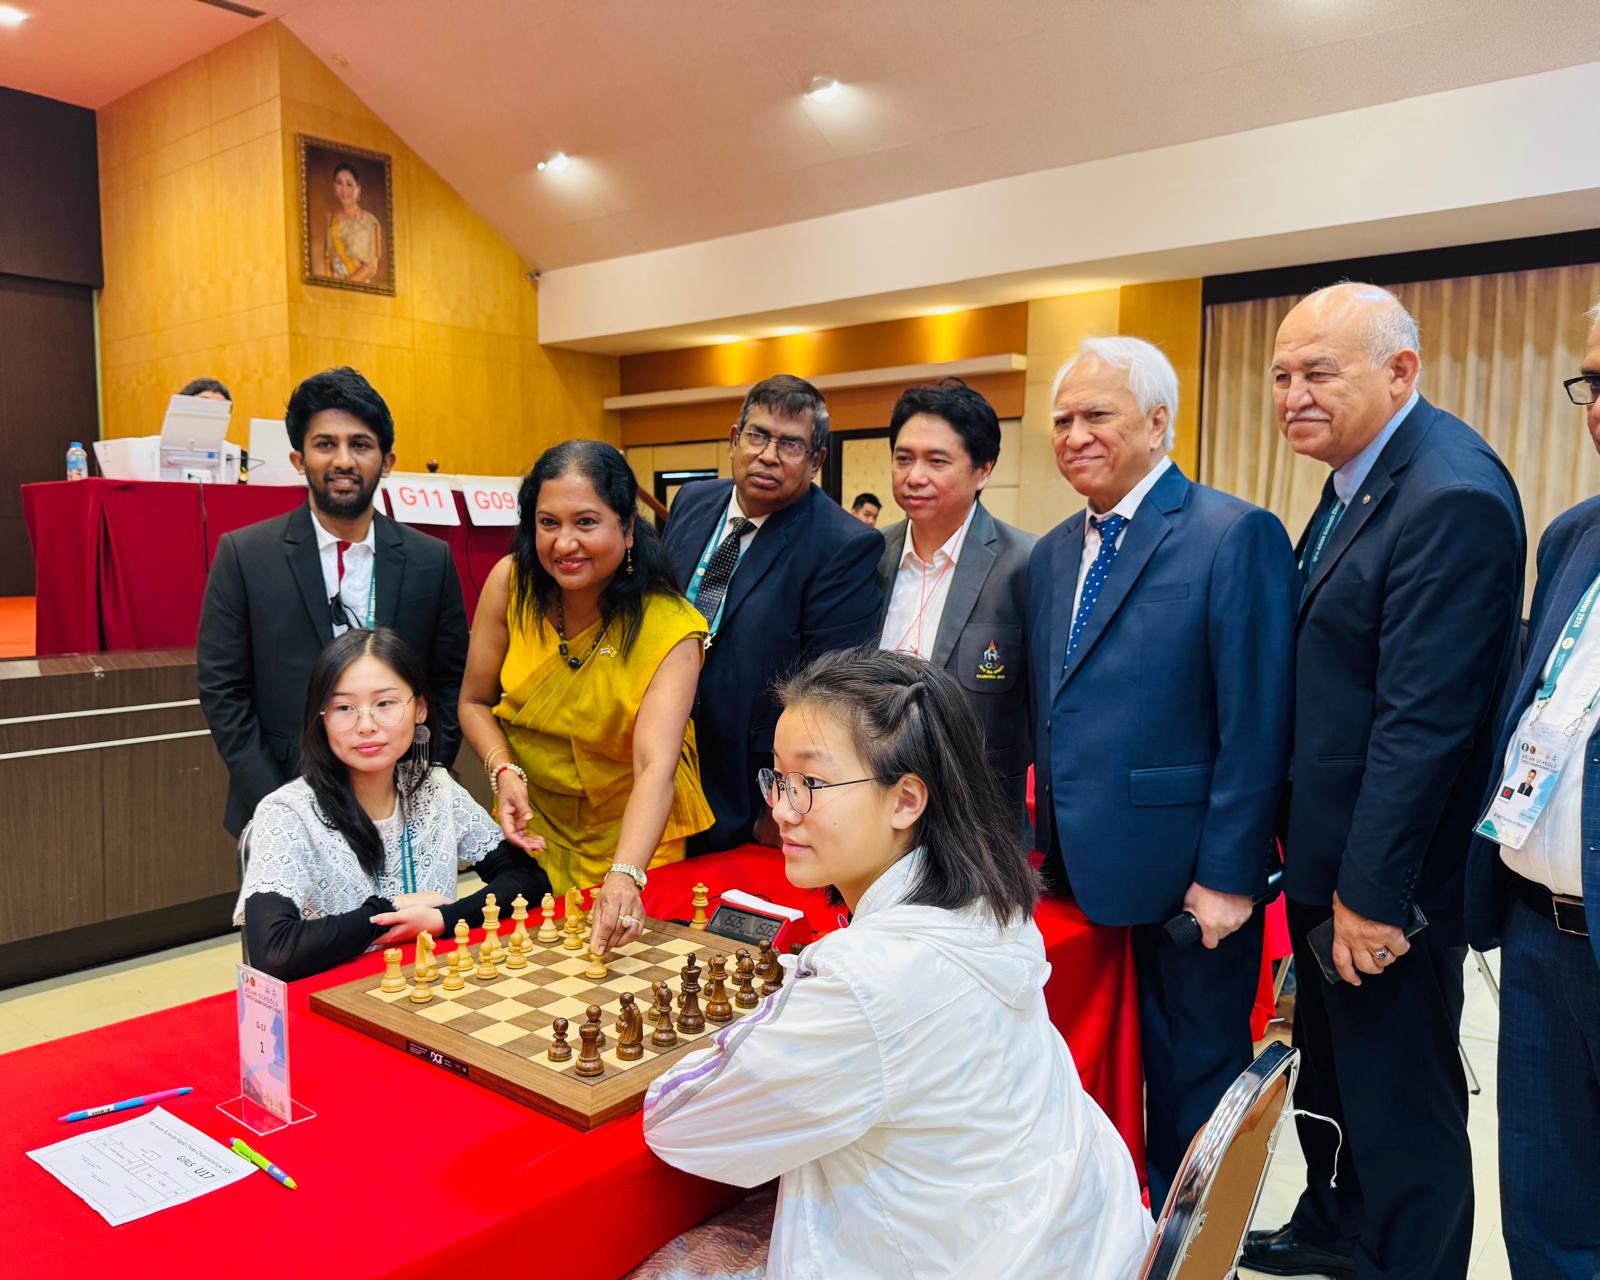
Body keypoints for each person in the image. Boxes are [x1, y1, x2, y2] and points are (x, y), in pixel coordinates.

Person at [642, 648, 1152, 1280]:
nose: (782, 809)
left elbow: (682, 1123)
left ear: (907, 800)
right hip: (1075, 1241)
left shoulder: (871, 980)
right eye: (776, 778)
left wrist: (785, 1005)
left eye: (812, 784)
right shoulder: (992, 908)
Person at [1243, 284, 1525, 1280]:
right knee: (1339, 1074)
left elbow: (1424, 723)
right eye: (1281, 374)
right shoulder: (1358, 477)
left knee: (1400, 1096)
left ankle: (1410, 1257)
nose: (1292, 394)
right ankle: (1336, 1219)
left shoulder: (1446, 492)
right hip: (1330, 856)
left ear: (1399, 371)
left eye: (1319, 371)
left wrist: (1369, 894)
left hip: (1387, 881)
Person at [1027, 336, 1298, 1210]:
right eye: (1062, 419)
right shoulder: (1054, 551)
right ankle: (1119, 1227)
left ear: (1157, 420)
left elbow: (1256, 721)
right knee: (1088, 1074)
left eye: (1096, 415)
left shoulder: (1233, 533)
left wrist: (1228, 875)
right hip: (1074, 871)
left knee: (1195, 1082)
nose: (1074, 435)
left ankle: (1196, 1246)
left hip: (1192, 882)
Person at [1464, 300, 1600, 1279]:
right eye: (1593, 381)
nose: (1598, 404)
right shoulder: (1572, 537)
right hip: (1539, 933)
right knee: (1547, 1214)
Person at [459, 440, 712, 956]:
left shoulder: (671, 629)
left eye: (586, 522)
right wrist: (504, 770)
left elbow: (654, 766)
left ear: (628, 526)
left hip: (635, 841)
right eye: (548, 522)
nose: (564, 543)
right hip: (534, 829)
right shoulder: (511, 584)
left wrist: (625, 875)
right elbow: (474, 702)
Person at [198, 366, 468, 836]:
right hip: (279, 801)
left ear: (386, 461)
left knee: (410, 913)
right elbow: (224, 689)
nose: (343, 460)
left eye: (360, 445)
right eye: (325, 444)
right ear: (299, 460)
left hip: (404, 804)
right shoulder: (244, 555)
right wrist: (280, 806)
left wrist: (421, 779)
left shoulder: (431, 559)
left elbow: (450, 681)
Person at [235, 627, 549, 982]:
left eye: (385, 703)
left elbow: (528, 880)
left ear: (419, 709)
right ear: (321, 719)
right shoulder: (288, 812)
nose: (366, 725)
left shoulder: (435, 787)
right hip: (333, 1002)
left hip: (431, 987)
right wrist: (392, 910)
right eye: (343, 707)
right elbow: (273, 952)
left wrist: (442, 919)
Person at [662, 375, 883, 852]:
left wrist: (779, 801)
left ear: (817, 460)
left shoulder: (843, 545)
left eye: (790, 444)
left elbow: (831, 693)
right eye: (757, 435)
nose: (768, 455)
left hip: (748, 788)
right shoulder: (692, 502)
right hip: (657, 757)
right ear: (733, 439)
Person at [876, 378, 1035, 820]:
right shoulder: (868, 556)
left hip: (978, 817)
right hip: (879, 806)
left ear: (983, 469)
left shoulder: (1025, 563)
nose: (914, 477)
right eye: (903, 458)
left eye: (937, 461)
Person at [324, 161, 383, 284]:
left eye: (349, 184)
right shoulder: (330, 218)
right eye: (339, 183)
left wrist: (344, 286)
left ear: (358, 188)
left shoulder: (370, 222)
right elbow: (327, 258)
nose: (344, 190)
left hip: (359, 290)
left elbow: (371, 268)